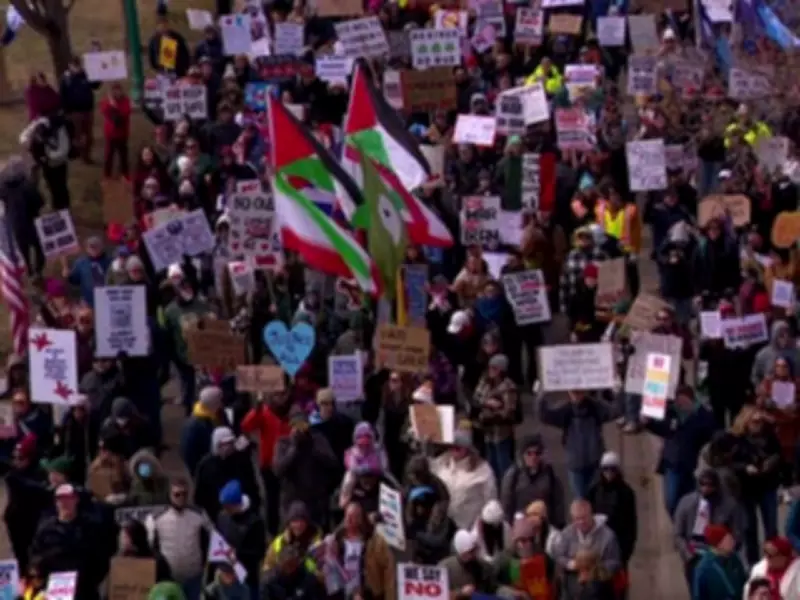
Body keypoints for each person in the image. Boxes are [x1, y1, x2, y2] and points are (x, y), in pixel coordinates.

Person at [642, 385, 718, 518]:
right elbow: (661, 428)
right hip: (672, 463)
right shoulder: (671, 413)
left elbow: (710, 433)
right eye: (678, 400)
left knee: (691, 500)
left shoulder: (702, 415)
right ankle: (679, 524)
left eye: (683, 400)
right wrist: (648, 423)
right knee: (670, 501)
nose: (680, 404)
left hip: (691, 465)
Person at [538, 389, 620, 498]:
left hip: (595, 463)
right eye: (574, 392)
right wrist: (541, 397)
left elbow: (616, 411)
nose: (577, 395)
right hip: (576, 465)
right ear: (568, 392)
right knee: (581, 502)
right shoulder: (565, 409)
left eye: (580, 392)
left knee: (598, 499)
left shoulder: (595, 407)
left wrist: (618, 393)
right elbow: (545, 416)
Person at [674, 469, 746, 587]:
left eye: (710, 485)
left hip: (720, 554)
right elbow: (678, 533)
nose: (705, 489)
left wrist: (726, 551)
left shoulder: (730, 505)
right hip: (694, 553)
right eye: (702, 484)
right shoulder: (686, 503)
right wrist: (688, 555)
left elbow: (738, 533)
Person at [273, 410, 339, 527]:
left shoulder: (318, 439)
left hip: (316, 500)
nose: (300, 429)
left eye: (302, 425)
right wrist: (294, 447)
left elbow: (332, 462)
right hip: (292, 500)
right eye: (296, 426)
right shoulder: (283, 443)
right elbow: (278, 470)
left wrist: (311, 444)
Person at [148, 478, 208, 600]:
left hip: (193, 576)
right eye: (177, 494)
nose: (181, 497)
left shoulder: (199, 516)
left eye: (184, 494)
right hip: (169, 578)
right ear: (170, 495)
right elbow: (151, 546)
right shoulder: (157, 518)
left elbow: (208, 542)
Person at [428, 429, 498, 530]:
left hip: (468, 527)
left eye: (458, 448)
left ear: (467, 448)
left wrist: (485, 524)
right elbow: (427, 472)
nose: (454, 450)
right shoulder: (442, 462)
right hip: (445, 524)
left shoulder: (483, 470)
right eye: (452, 447)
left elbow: (491, 499)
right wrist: (426, 447)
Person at [194, 426, 261, 522]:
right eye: (224, 444)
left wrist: (254, 508)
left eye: (231, 443)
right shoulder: (205, 466)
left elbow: (252, 487)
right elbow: (200, 496)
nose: (228, 447)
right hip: (216, 516)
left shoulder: (242, 461)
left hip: (242, 515)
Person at [586, 452, 638, 574]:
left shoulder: (626, 493)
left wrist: (626, 552)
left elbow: (631, 524)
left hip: (619, 546)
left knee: (618, 586)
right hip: (597, 546)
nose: (609, 472)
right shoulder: (594, 491)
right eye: (606, 469)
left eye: (612, 469)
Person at [554, 499, 622, 592]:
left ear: (591, 514)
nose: (581, 522)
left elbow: (615, 562)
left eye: (584, 517)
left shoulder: (608, 536)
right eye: (577, 518)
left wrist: (594, 571)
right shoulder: (566, 533)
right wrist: (573, 564)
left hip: (599, 583)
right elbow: (559, 555)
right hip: (573, 579)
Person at [500, 433, 566, 528]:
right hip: (520, 523)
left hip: (543, 524)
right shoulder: (513, 475)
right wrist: (509, 526)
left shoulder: (549, 474)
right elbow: (506, 504)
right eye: (529, 453)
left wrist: (559, 525)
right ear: (522, 455)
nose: (533, 457)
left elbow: (557, 502)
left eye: (537, 453)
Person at [216, 480, 266, 599]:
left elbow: (259, 551)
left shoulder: (255, 522)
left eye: (228, 507)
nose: (225, 510)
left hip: (247, 575)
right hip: (226, 573)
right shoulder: (222, 517)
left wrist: (237, 553)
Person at [691, 524, 748, 600]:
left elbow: (744, 583)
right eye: (729, 540)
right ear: (719, 544)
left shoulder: (734, 559)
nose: (733, 542)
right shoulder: (703, 568)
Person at [439, 529, 499, 599]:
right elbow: (438, 595)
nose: (472, 556)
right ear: (460, 553)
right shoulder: (444, 567)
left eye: (473, 551)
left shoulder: (483, 566)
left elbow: (493, 588)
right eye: (469, 552)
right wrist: (460, 592)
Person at [59, 57, 98, 163]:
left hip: (88, 109)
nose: (77, 68)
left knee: (89, 135)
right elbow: (63, 96)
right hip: (75, 111)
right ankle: (77, 154)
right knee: (78, 135)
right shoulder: (66, 79)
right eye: (74, 66)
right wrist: (66, 111)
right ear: (70, 66)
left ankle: (87, 156)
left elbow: (95, 85)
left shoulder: (86, 75)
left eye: (78, 65)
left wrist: (98, 75)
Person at [179, 386, 224, 475]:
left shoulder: (212, 416)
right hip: (205, 470)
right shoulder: (195, 425)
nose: (221, 404)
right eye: (219, 401)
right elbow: (188, 453)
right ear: (213, 404)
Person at [99, 83, 131, 178]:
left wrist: (115, 106)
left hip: (122, 134)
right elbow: (106, 113)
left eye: (118, 90)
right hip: (111, 135)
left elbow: (124, 115)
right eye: (114, 90)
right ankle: (107, 175)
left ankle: (125, 174)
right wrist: (111, 104)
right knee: (109, 156)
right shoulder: (106, 102)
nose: (117, 93)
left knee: (123, 156)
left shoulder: (125, 101)